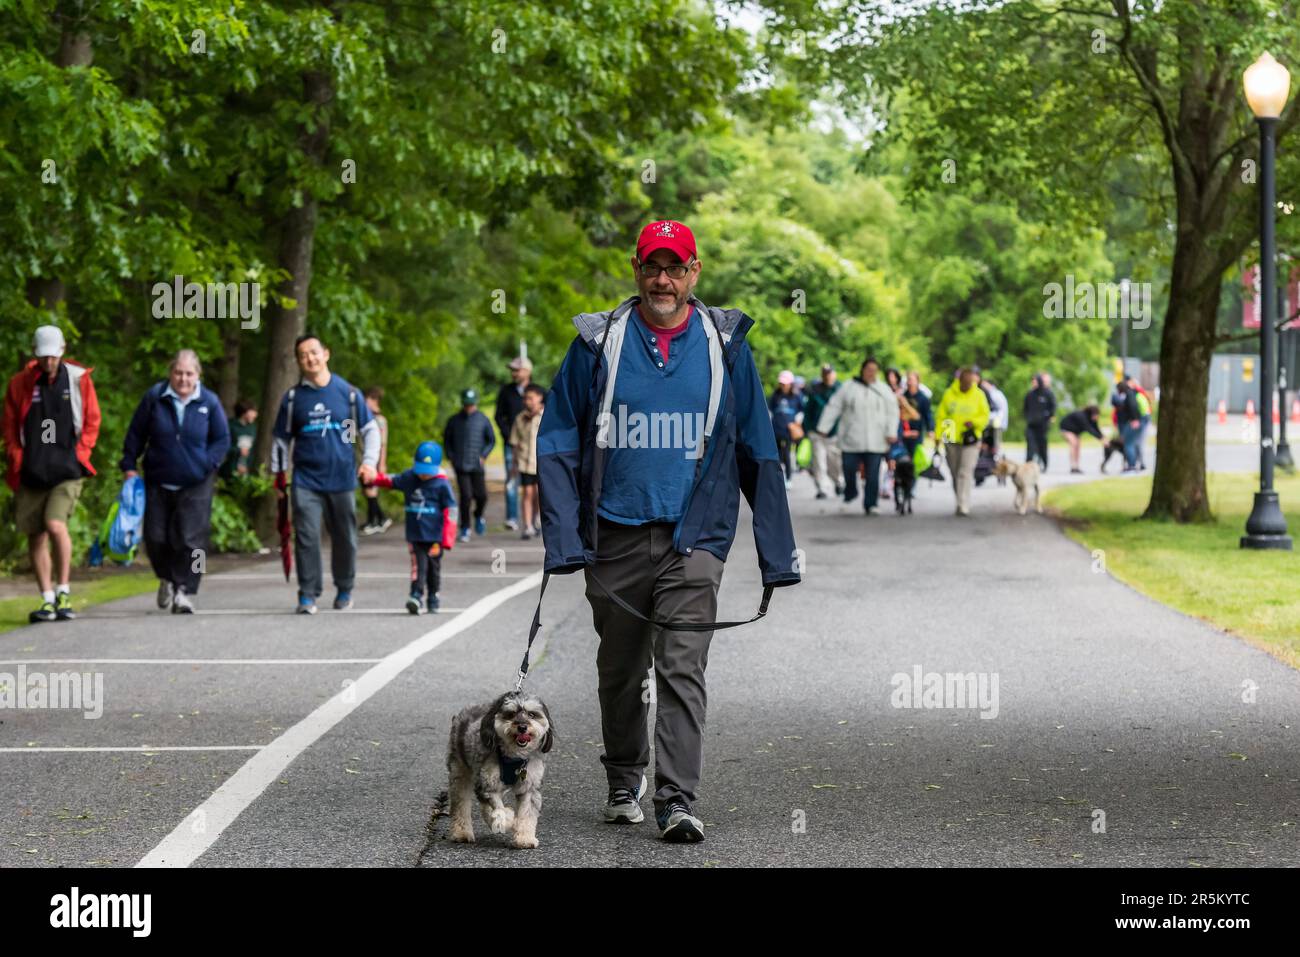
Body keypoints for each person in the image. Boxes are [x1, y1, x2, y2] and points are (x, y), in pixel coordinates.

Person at [537, 219, 800, 844]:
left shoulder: (726, 347)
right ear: (636, 268)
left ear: (694, 272)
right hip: (615, 534)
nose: (664, 279)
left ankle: (677, 800)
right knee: (622, 669)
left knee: (682, 665)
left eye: (675, 267)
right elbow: (556, 438)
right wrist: (563, 538)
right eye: (653, 266)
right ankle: (624, 778)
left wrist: (776, 552)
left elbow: (757, 449)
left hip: (695, 539)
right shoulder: (599, 344)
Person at [271, 334, 380, 615]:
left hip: (342, 479)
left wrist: (369, 463)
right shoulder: (294, 399)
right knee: (306, 537)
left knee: (345, 537)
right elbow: (280, 441)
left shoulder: (349, 394)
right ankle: (308, 594)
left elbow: (370, 431)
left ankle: (345, 588)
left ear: (326, 354)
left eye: (314, 352)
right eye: (303, 355)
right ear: (298, 361)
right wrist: (279, 477)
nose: (310, 358)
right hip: (306, 481)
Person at [2, 325, 101, 623]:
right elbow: (9, 426)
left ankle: (64, 591)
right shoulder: (20, 384)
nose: (49, 363)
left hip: (67, 470)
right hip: (31, 471)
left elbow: (92, 420)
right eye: (44, 357)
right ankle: (46, 600)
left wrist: (82, 452)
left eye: (54, 357)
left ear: (63, 351)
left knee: (55, 525)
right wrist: (16, 456)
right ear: (35, 353)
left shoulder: (78, 380)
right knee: (36, 535)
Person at [120, 350, 230, 614]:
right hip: (158, 479)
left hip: (196, 482)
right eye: (178, 373)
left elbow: (222, 439)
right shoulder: (155, 398)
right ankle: (167, 578)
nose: (183, 379)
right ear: (170, 373)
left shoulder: (209, 402)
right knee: (156, 538)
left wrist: (208, 463)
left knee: (193, 542)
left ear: (198, 375)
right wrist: (128, 465)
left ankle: (185, 590)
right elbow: (136, 433)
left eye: (189, 374)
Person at [369, 441, 456, 615]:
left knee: (433, 568)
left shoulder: (442, 485)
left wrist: (447, 538)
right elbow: (391, 480)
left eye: (427, 471)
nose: (423, 475)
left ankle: (433, 596)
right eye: (421, 470)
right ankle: (415, 595)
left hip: (435, 537)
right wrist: (373, 478)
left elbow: (451, 511)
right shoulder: (409, 478)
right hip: (415, 535)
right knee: (418, 566)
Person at [816, 357, 899, 515]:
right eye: (868, 370)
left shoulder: (883, 389)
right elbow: (834, 406)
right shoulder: (849, 387)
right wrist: (823, 427)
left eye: (874, 371)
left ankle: (871, 503)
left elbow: (893, 412)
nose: (871, 373)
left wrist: (891, 432)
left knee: (873, 474)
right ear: (862, 370)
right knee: (848, 468)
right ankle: (850, 493)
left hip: (876, 439)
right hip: (851, 438)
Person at [935, 366, 991, 516]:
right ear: (959, 381)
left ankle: (963, 504)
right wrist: (938, 436)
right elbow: (941, 416)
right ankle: (959, 499)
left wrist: (973, 422)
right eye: (965, 382)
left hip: (970, 438)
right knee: (954, 471)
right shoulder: (949, 394)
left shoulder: (978, 395)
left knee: (965, 472)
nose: (968, 385)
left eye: (970, 382)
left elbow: (985, 416)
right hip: (950, 435)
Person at [443, 388, 495, 543]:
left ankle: (478, 515)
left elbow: (491, 440)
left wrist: (483, 455)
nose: (468, 407)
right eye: (466, 404)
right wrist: (451, 457)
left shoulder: (483, 419)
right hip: (460, 465)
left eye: (471, 404)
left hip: (477, 465)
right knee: (465, 496)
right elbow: (447, 441)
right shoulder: (454, 420)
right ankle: (465, 527)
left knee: (482, 496)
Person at [494, 356, 534, 531]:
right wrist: (507, 434)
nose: (513, 373)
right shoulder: (506, 391)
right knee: (512, 480)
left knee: (533, 483)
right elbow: (498, 416)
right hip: (512, 444)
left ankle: (533, 519)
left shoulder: (536, 392)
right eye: (512, 370)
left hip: (532, 445)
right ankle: (512, 518)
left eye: (517, 370)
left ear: (527, 371)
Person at [509, 383, 546, 539]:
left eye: (531, 398)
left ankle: (537, 519)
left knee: (539, 493)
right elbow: (515, 442)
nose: (527, 401)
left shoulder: (547, 416)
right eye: (525, 398)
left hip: (541, 462)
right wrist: (514, 463)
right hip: (525, 462)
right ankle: (527, 526)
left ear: (540, 398)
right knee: (527, 493)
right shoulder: (520, 418)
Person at [802, 363, 844, 499]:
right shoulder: (815, 390)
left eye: (830, 373)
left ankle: (838, 482)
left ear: (834, 374)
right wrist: (807, 429)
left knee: (835, 462)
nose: (828, 376)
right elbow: (808, 411)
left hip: (835, 432)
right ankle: (822, 488)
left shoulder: (840, 390)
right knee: (818, 461)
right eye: (825, 374)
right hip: (817, 432)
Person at [360, 386, 392, 535]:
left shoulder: (379, 420)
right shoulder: (357, 418)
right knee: (368, 491)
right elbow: (349, 437)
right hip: (360, 460)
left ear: (374, 400)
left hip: (373, 461)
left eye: (366, 400)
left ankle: (373, 521)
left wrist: (382, 464)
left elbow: (383, 444)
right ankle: (381, 519)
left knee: (370, 490)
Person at [769, 370, 802, 488]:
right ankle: (776, 479)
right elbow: (770, 411)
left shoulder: (796, 396)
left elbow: (800, 412)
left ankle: (788, 479)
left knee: (787, 454)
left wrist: (797, 424)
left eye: (785, 383)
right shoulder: (775, 395)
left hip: (789, 431)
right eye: (781, 383)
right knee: (776, 455)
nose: (783, 385)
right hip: (776, 429)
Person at [1023, 372, 1056, 471]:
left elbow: (1053, 407)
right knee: (1030, 445)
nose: (1034, 383)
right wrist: (1028, 417)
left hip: (1042, 425)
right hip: (1031, 425)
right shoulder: (1030, 394)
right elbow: (1025, 408)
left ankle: (1044, 464)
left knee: (1042, 445)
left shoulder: (1047, 393)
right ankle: (1028, 465)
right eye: (1032, 381)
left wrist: (1048, 416)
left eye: (1035, 381)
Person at [1059, 405, 1103, 474]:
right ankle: (1073, 466)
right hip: (1066, 428)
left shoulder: (1091, 418)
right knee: (1073, 443)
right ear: (1092, 413)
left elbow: (1096, 428)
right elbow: (1089, 429)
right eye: (1096, 415)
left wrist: (1103, 437)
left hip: (1075, 431)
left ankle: (1077, 466)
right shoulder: (1081, 416)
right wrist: (1100, 438)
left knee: (1078, 446)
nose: (1097, 417)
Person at [220, 399, 258, 479]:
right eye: (253, 411)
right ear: (244, 412)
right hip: (228, 470)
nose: (255, 414)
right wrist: (238, 450)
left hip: (245, 471)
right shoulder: (229, 426)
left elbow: (251, 450)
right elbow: (222, 447)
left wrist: (247, 466)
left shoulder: (252, 428)